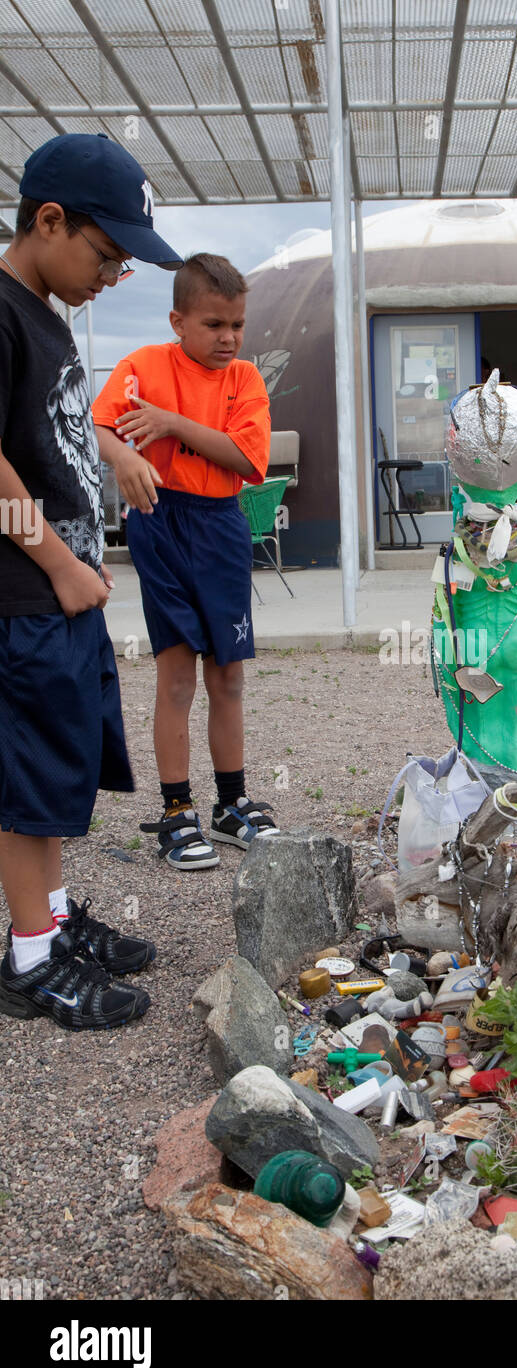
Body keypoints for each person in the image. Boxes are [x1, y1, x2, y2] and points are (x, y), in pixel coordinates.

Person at [0, 133, 182, 1030]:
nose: (113, 277)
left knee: (60, 769)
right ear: (48, 220)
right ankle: (30, 956)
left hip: (58, 596)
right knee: (28, 780)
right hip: (26, 595)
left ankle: (55, 920)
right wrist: (60, 562)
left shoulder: (48, 315)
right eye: (106, 257)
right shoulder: (0, 312)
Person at [92, 253, 279, 871]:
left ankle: (233, 804)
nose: (227, 338)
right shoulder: (142, 367)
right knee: (176, 675)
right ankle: (177, 811)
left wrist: (171, 423)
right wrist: (121, 456)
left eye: (237, 325)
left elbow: (243, 457)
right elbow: (99, 425)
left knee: (228, 675)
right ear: (178, 320)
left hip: (222, 526)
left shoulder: (245, 381)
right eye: (213, 325)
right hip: (160, 524)